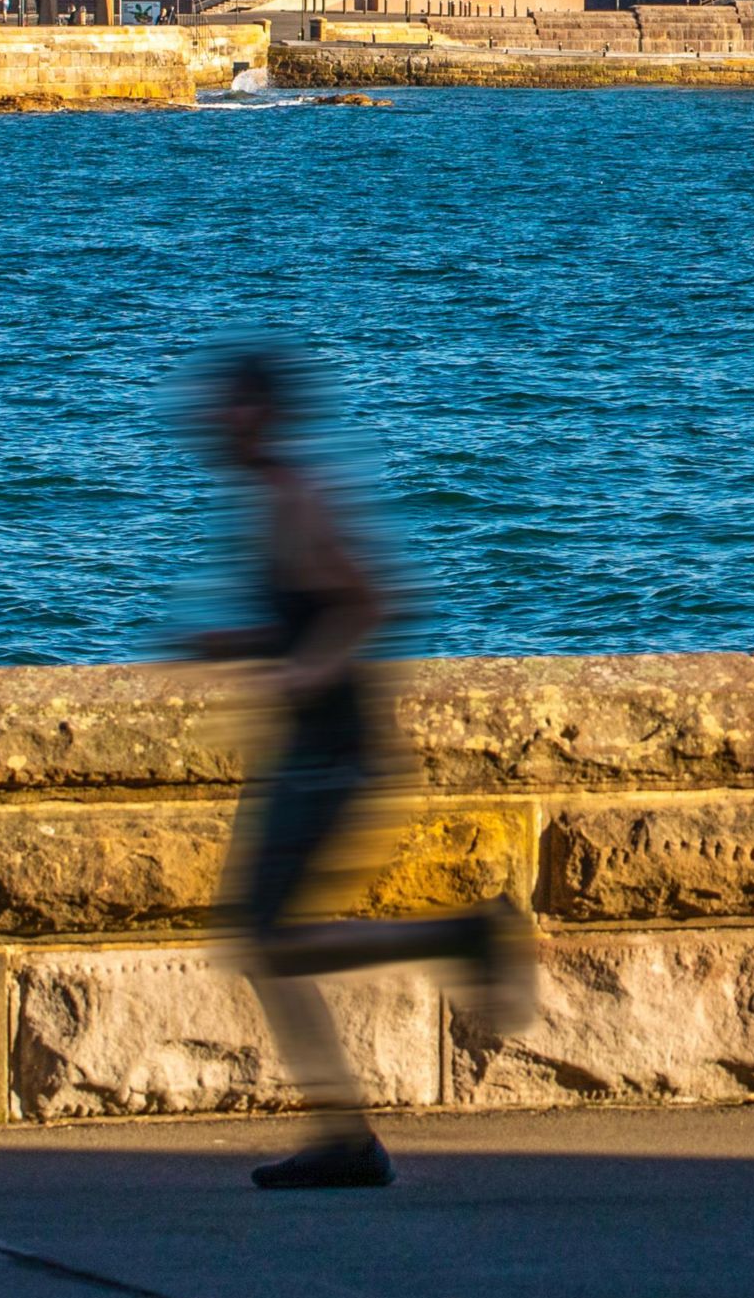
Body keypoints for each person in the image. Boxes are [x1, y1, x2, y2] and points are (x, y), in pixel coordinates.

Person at [181, 343, 531, 1190]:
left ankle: (463, 937)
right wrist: (243, 645)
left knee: (269, 937)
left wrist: (308, 667)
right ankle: (343, 1132)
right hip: (303, 749)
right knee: (265, 941)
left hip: (334, 752)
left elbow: (375, 599)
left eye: (226, 403)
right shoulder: (269, 500)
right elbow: (310, 615)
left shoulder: (299, 495)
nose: (208, 419)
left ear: (261, 412)